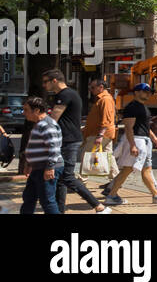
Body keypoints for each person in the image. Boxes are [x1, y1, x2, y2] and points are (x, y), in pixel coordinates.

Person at [42, 69, 111, 214]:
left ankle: (99, 206)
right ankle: (59, 211)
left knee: (67, 176)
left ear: (54, 81)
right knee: (60, 178)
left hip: (68, 140)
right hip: (67, 139)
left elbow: (54, 118)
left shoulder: (65, 94)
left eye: (45, 82)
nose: (43, 85)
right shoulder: (66, 94)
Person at [104, 83, 157, 206]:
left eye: (149, 92)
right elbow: (128, 127)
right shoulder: (132, 107)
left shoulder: (143, 106)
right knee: (127, 170)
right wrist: (132, 145)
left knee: (146, 169)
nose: (148, 93)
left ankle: (156, 195)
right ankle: (111, 195)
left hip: (144, 141)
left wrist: (154, 138)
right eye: (145, 91)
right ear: (136, 92)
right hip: (137, 141)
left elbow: (144, 126)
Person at [20, 96, 63, 214]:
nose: (24, 113)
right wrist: (29, 164)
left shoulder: (47, 124)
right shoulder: (39, 124)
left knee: (47, 201)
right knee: (29, 198)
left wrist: (50, 167)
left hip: (46, 168)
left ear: (37, 111)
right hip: (38, 168)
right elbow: (35, 147)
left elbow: (54, 148)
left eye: (26, 110)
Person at [83, 78, 119, 181]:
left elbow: (106, 119)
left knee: (87, 154)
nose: (91, 90)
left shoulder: (105, 99)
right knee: (108, 156)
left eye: (93, 87)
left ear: (101, 87)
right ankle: (116, 180)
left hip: (99, 134)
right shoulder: (102, 99)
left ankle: (81, 180)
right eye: (90, 87)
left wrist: (100, 135)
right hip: (104, 134)